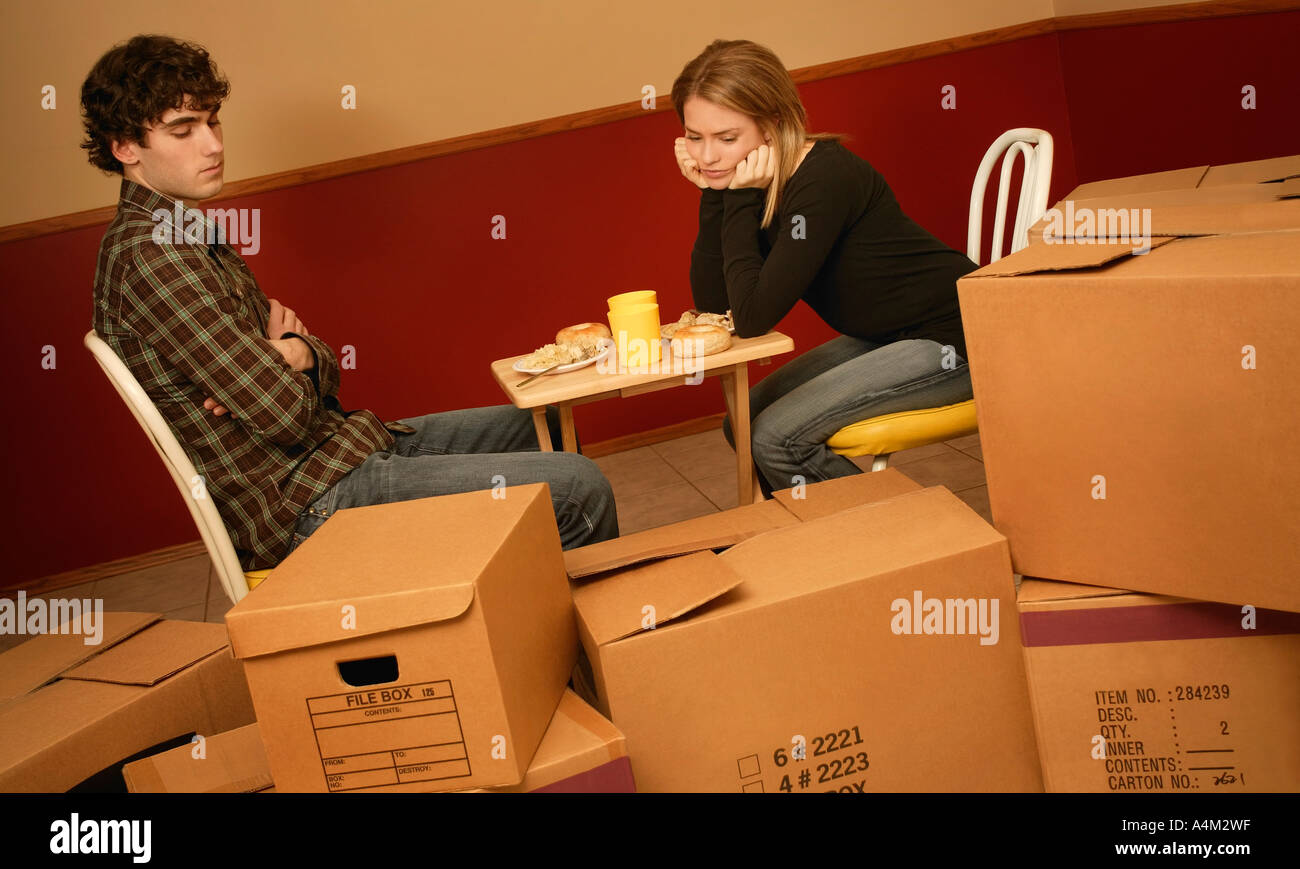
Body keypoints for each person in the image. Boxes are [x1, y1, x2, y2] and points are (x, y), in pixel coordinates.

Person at [82, 34, 617, 570]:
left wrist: (294, 354)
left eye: (212, 121)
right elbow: (285, 413)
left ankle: (503, 617)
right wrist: (292, 350)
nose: (213, 144)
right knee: (577, 488)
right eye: (183, 130)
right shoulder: (152, 257)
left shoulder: (184, 230)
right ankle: (549, 642)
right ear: (124, 146)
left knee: (541, 424)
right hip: (306, 502)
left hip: (341, 447)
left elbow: (306, 375)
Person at [671, 39, 978, 495]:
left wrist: (732, 196)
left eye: (727, 138)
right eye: (695, 138)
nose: (707, 156)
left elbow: (753, 320)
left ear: (772, 125)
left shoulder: (822, 180)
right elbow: (716, 306)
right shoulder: (752, 181)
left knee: (777, 439)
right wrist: (715, 196)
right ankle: (831, 544)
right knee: (744, 419)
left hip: (960, 337)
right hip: (887, 337)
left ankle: (899, 546)